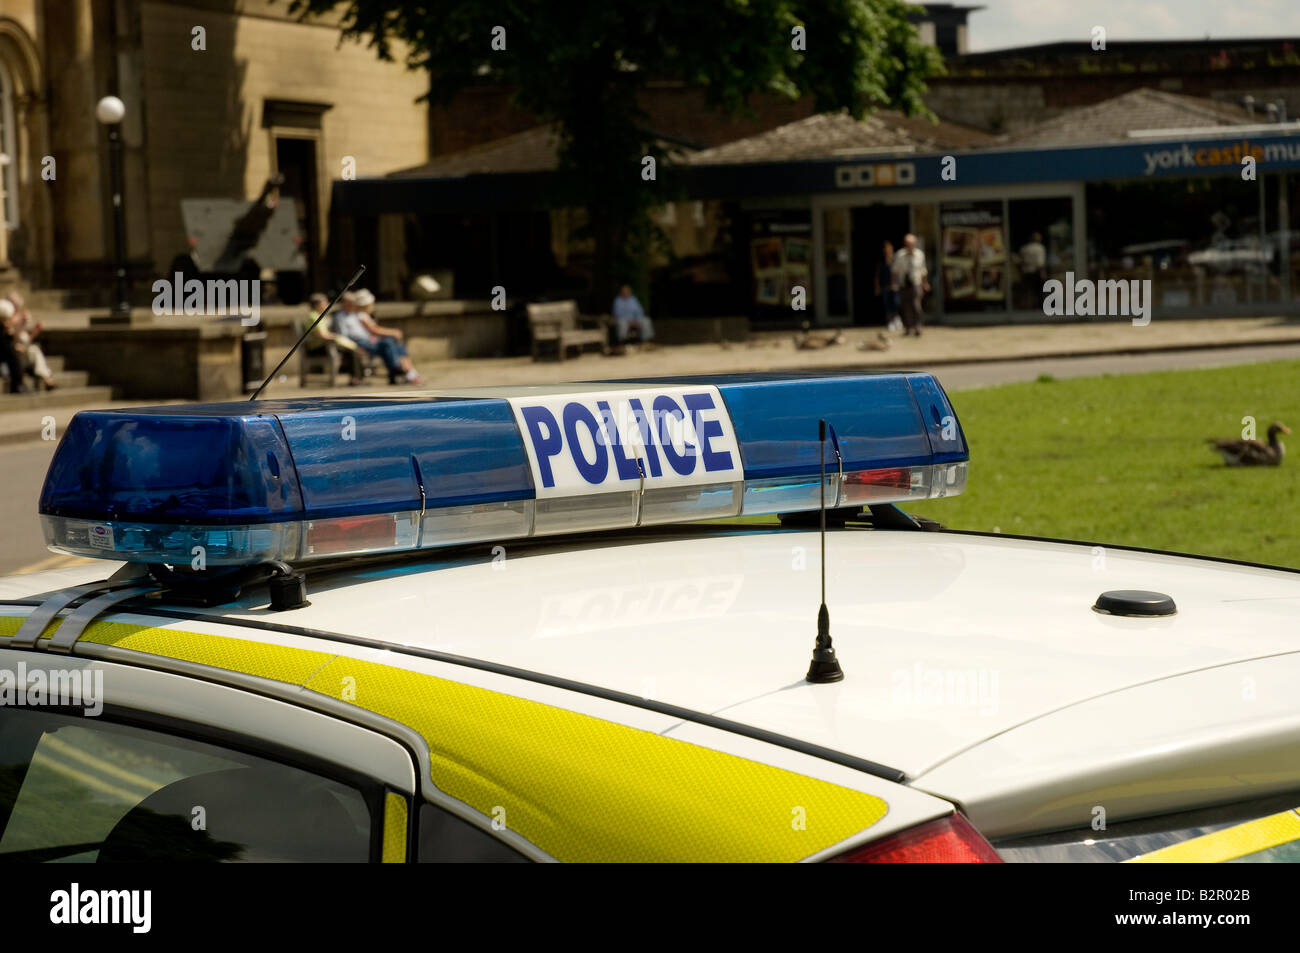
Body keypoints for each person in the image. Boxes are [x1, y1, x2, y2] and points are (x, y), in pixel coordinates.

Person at [330, 290, 423, 386]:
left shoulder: (354, 315)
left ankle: (401, 371)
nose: (353, 305)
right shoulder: (340, 317)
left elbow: (367, 331)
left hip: (367, 340)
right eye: (350, 303)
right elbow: (344, 335)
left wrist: (372, 337)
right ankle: (400, 369)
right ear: (343, 303)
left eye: (353, 303)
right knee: (388, 343)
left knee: (393, 345)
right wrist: (354, 346)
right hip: (357, 342)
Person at [6, 292, 56, 390]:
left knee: (34, 350)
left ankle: (46, 378)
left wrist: (35, 331)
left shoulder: (20, 319)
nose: (16, 309)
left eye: (17, 306)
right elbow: (8, 341)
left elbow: (27, 340)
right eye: (15, 305)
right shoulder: (7, 321)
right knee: (34, 351)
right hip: (13, 353)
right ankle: (47, 378)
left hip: (23, 351)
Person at [890, 233, 930, 337]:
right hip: (903, 284)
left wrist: (925, 283)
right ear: (905, 244)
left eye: (912, 244)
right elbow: (894, 271)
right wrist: (894, 283)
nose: (910, 246)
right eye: (908, 244)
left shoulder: (920, 255)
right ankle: (908, 328)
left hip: (916, 284)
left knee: (916, 305)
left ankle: (918, 327)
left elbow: (923, 270)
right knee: (905, 307)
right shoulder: (899, 255)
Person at [612, 285, 655, 349]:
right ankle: (621, 342)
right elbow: (618, 314)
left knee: (646, 320)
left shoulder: (633, 299)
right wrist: (629, 321)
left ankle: (646, 341)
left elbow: (640, 311)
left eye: (627, 291)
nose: (626, 293)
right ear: (621, 292)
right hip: (624, 320)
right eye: (624, 291)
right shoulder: (617, 301)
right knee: (621, 323)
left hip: (635, 320)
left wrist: (636, 320)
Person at [874, 241, 902, 332]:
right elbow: (877, 276)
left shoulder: (895, 260)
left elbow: (898, 273)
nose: (888, 250)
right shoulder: (881, 262)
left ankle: (896, 321)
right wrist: (877, 287)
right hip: (885, 286)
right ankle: (890, 323)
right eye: (886, 248)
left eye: (889, 248)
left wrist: (897, 284)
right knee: (887, 306)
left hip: (894, 287)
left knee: (895, 304)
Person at [1019, 232, 1048, 309]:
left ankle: (1028, 306)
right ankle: (1039, 306)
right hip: (1036, 272)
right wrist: (1043, 273)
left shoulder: (1024, 248)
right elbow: (1040, 263)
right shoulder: (1040, 248)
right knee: (1039, 291)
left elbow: (1021, 262)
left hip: (1026, 272)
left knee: (1028, 292)